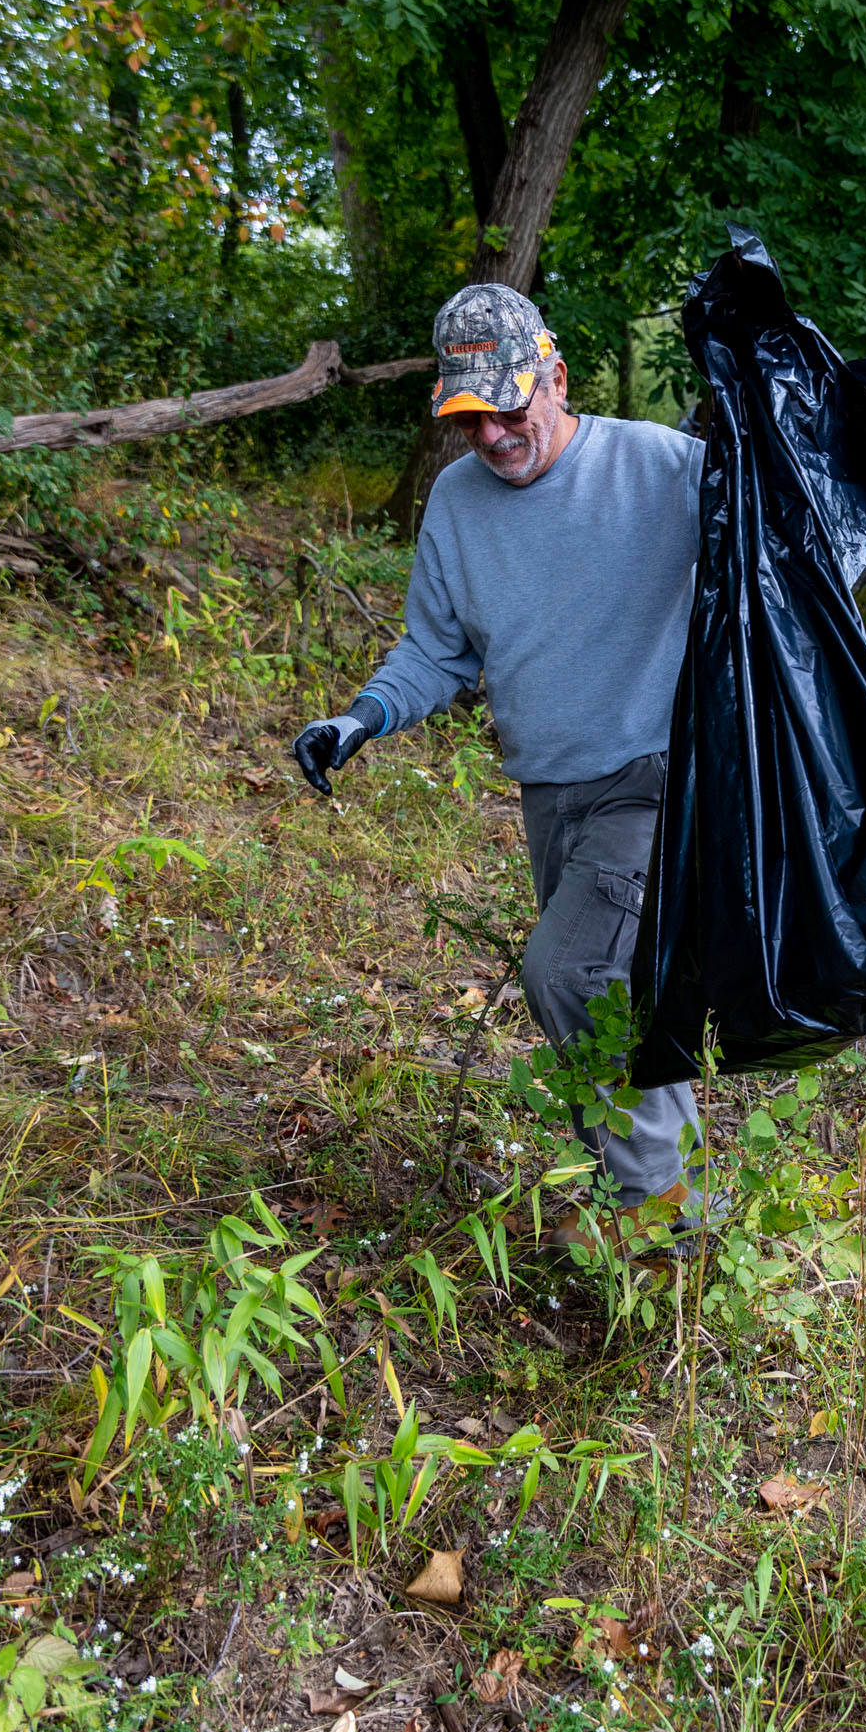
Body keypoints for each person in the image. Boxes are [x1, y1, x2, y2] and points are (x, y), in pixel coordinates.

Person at [292, 283, 703, 1248]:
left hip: (656, 778)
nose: (490, 435)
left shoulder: (658, 466)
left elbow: (772, 543)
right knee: (611, 998)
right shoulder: (457, 502)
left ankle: (666, 1228)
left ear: (556, 378)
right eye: (470, 416)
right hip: (551, 793)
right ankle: (644, 1195)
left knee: (567, 973)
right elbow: (436, 650)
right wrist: (360, 720)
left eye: (509, 407)